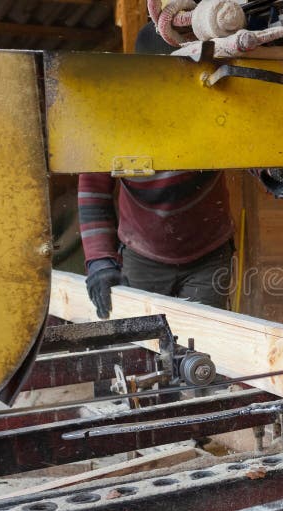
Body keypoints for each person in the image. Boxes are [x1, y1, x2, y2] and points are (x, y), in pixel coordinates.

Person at [79, 26, 234, 319]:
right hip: (142, 256)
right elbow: (92, 190)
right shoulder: (115, 123)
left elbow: (254, 149)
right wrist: (100, 260)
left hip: (209, 254)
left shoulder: (215, 111)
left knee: (203, 346)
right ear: (143, 75)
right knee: (145, 350)